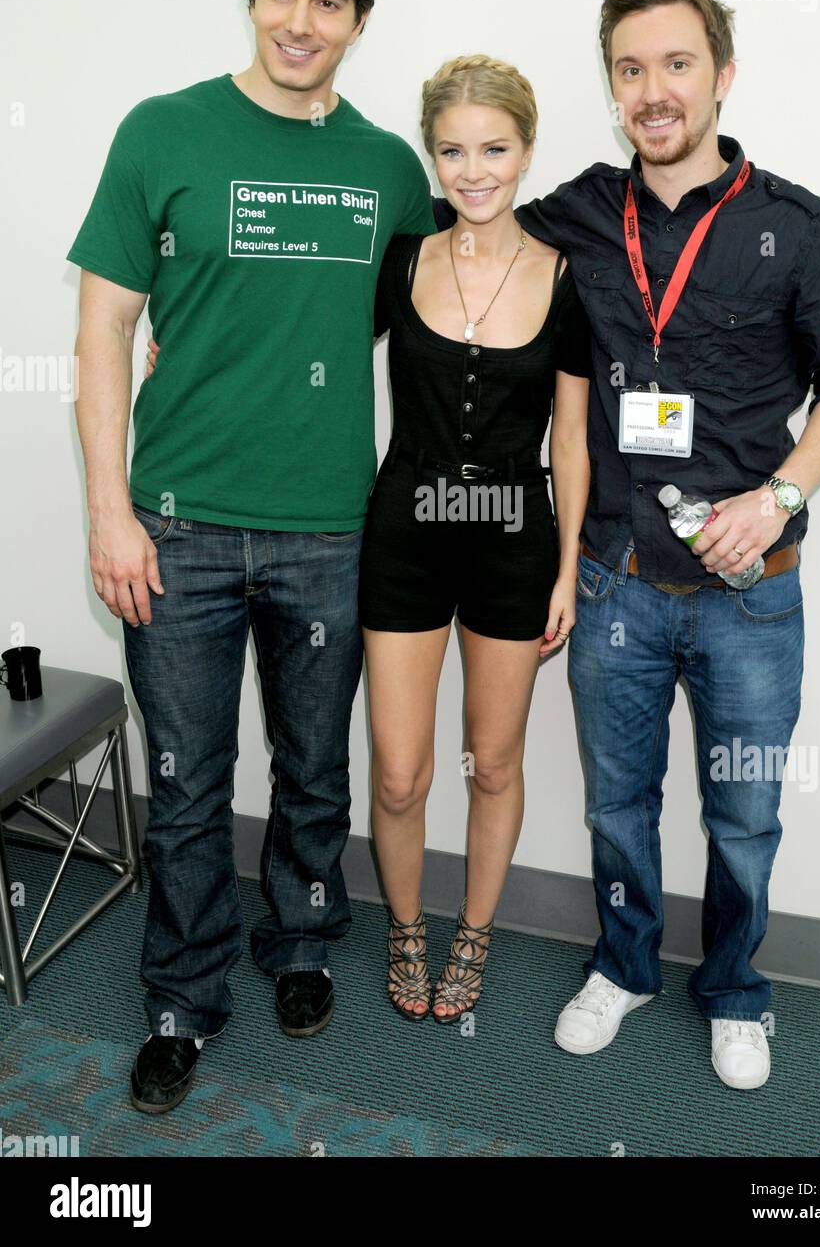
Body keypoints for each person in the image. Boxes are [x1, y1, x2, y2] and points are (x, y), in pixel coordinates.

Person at [435, 0, 820, 1087]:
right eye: (630, 70)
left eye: (676, 65)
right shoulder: (580, 213)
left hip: (750, 590)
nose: (653, 90)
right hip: (617, 582)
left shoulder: (793, 223)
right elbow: (452, 239)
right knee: (617, 802)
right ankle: (625, 964)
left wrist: (776, 496)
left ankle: (735, 988)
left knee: (742, 814)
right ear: (611, 87)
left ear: (721, 76)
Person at [68, 0, 437, 1114]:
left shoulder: (388, 168)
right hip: (173, 523)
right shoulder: (162, 132)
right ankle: (181, 993)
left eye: (327, 0)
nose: (300, 19)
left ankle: (299, 942)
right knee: (184, 778)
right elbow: (105, 331)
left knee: (315, 766)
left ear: (358, 20)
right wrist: (109, 510)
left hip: (332, 525)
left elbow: (415, 324)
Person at [146, 55, 594, 1024]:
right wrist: (175, 332)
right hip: (404, 540)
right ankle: (402, 926)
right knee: (397, 770)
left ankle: (471, 931)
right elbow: (288, 307)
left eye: (494, 148)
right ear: (430, 156)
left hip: (515, 544)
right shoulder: (400, 260)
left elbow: (574, 436)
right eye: (452, 150)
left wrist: (566, 567)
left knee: (496, 761)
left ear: (526, 147)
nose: (473, 169)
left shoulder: (565, 279)